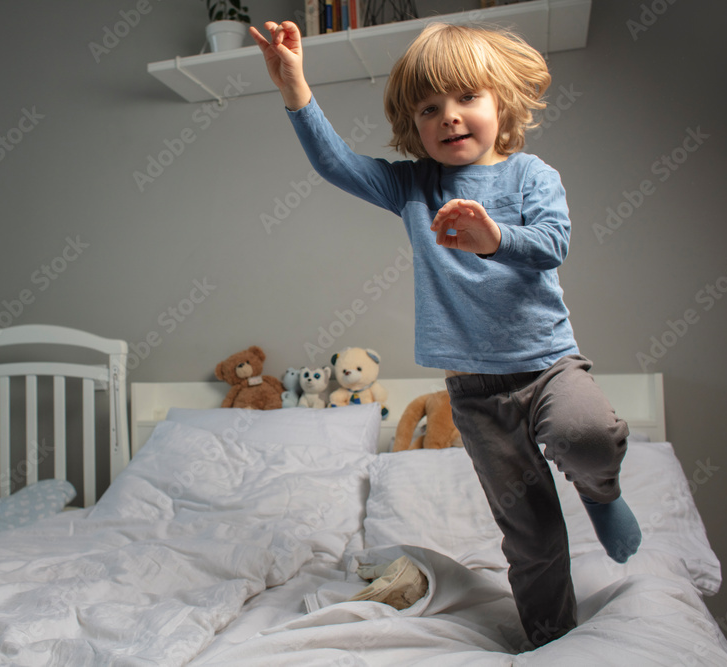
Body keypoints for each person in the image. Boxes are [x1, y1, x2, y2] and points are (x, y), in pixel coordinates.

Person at [250, 20, 642, 649]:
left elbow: (552, 244)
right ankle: (552, 643)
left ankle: (602, 493)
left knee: (587, 436)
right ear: (415, 125)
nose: (450, 117)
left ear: (500, 105)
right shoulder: (413, 187)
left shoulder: (531, 176)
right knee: (530, 532)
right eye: (430, 108)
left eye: (466, 100)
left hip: (547, 366)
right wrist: (295, 87)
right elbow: (335, 163)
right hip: (477, 394)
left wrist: (494, 238)